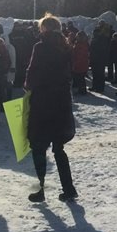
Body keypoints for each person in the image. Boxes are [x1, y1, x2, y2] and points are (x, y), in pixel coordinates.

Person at [25, 15, 77, 202]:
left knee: (38, 147)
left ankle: (40, 189)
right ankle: (69, 188)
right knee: (58, 148)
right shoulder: (66, 47)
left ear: (44, 29)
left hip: (43, 104)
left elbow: (32, 74)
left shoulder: (40, 47)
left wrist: (28, 86)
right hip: (61, 104)